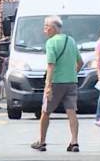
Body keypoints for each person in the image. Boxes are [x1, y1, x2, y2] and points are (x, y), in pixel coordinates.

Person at [31, 16, 83, 153]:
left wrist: (48, 85)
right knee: (71, 112)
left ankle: (41, 141)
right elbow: (80, 62)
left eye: (46, 27)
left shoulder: (51, 43)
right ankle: (74, 142)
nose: (44, 30)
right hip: (71, 82)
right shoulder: (71, 40)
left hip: (56, 82)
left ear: (53, 28)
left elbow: (51, 65)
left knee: (45, 112)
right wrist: (72, 73)